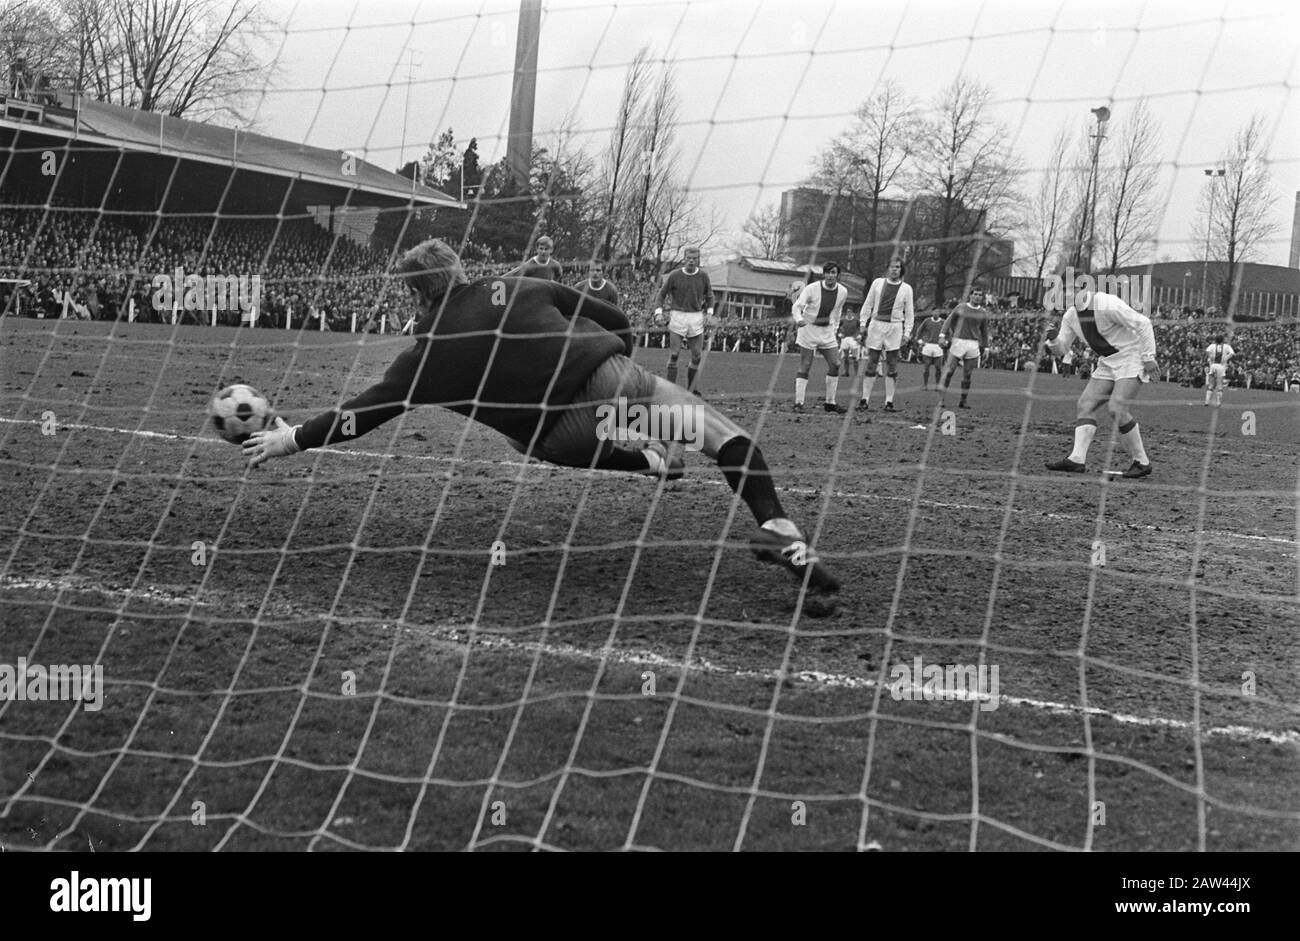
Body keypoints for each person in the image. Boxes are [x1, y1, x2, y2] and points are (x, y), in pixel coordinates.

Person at [242, 239, 838, 593]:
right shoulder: (521, 286)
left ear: (418, 297)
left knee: (546, 444)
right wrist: (615, 359)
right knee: (723, 438)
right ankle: (781, 530)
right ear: (461, 272)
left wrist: (291, 439)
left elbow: (359, 415)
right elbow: (616, 321)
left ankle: (641, 454)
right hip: (616, 380)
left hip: (566, 433)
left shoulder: (421, 360)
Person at [1042, 287, 1160, 479]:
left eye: (1067, 290)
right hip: (1107, 361)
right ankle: (1076, 459)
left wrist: (1148, 357)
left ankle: (1142, 462)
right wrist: (1053, 339)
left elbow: (1144, 323)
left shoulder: (1106, 303)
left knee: (1116, 408)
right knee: (1085, 405)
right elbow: (1062, 349)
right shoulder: (1070, 316)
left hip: (1131, 356)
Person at [790, 262, 849, 413]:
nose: (830, 275)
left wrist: (835, 329)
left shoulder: (843, 292)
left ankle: (830, 403)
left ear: (837, 275)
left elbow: (837, 311)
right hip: (808, 329)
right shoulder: (812, 288)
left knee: (835, 364)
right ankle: (799, 403)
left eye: (833, 272)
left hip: (827, 332)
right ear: (824, 274)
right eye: (828, 272)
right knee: (806, 364)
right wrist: (799, 320)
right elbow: (797, 306)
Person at [654, 247, 714, 394]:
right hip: (678, 315)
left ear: (698, 259)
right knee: (674, 354)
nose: (691, 261)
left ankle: (691, 389)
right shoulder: (675, 275)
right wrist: (658, 313)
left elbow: (710, 296)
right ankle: (669, 391)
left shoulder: (703, 276)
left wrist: (710, 313)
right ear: (684, 259)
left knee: (697, 356)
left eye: (694, 258)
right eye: (689, 258)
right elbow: (661, 295)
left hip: (696, 317)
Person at [859, 258, 914, 411]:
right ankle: (865, 399)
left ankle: (889, 401)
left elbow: (909, 312)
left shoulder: (906, 288)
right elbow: (868, 304)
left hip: (895, 327)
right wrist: (863, 323)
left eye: (897, 267)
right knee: (872, 361)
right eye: (892, 267)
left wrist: (907, 332)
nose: (894, 269)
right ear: (887, 269)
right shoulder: (877, 283)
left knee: (892, 363)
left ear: (901, 270)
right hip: (876, 325)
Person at [937, 284, 992, 410]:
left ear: (982, 297)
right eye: (975, 294)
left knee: (967, 375)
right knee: (949, 371)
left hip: (973, 344)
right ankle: (941, 399)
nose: (977, 297)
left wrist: (987, 348)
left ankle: (963, 401)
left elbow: (984, 331)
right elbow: (948, 321)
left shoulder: (983, 313)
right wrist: (942, 335)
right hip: (958, 342)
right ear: (970, 295)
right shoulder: (961, 307)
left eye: (980, 295)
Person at [911, 308, 945, 391]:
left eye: (937, 311)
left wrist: (946, 341)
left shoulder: (943, 322)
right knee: (926, 367)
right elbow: (919, 331)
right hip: (928, 346)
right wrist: (919, 341)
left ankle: (937, 385)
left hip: (938, 346)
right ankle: (925, 385)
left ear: (939, 313)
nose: (936, 313)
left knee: (938, 368)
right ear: (932, 312)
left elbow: (949, 332)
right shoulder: (927, 321)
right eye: (934, 311)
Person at [1204, 333, 1235, 407]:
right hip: (1221, 366)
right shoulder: (1226, 346)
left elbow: (1207, 351)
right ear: (1222, 340)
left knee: (1211, 384)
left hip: (1213, 365)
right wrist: (1226, 358)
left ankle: (1206, 402)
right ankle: (1218, 403)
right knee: (1220, 385)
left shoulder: (1212, 346)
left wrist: (1210, 356)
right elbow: (1232, 353)